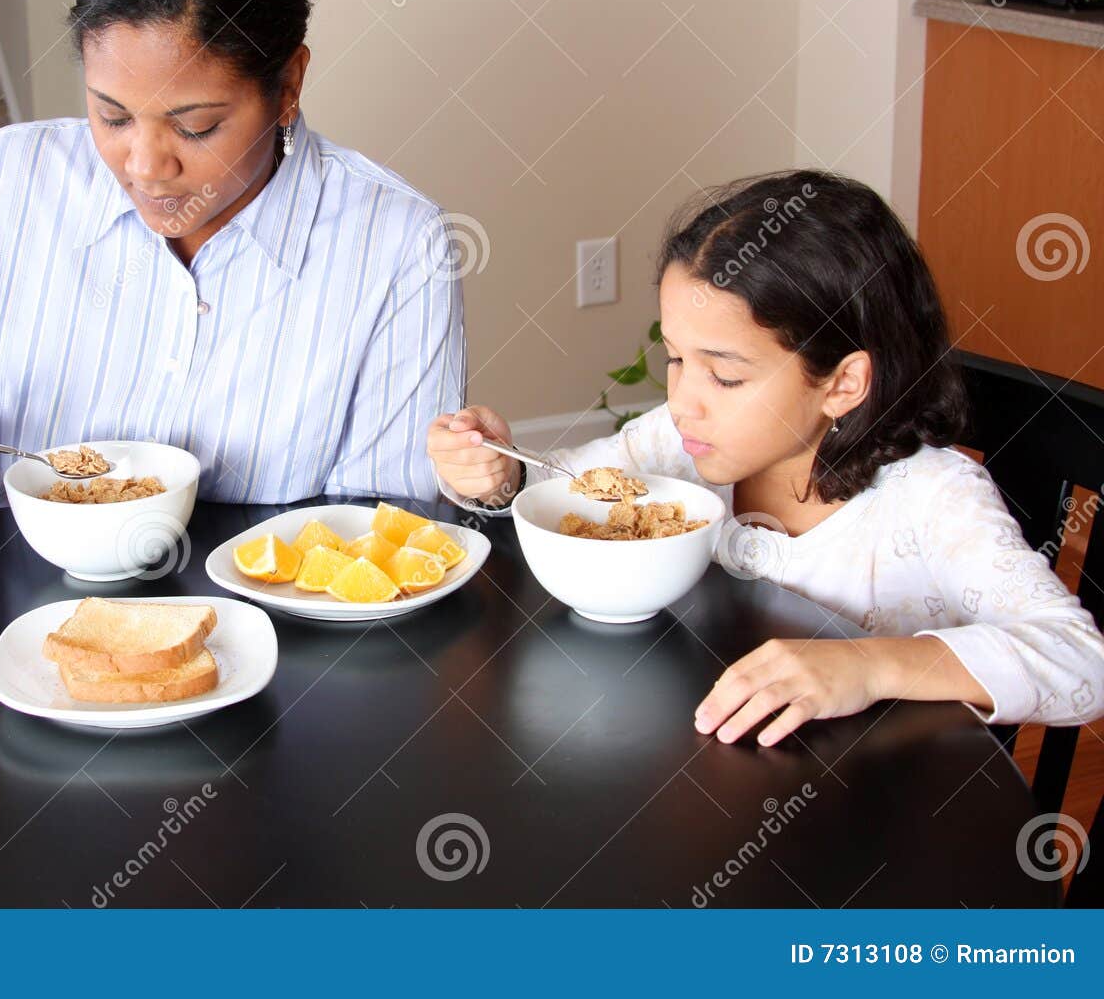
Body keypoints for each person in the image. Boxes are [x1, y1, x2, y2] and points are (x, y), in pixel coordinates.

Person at [0, 0, 464, 537]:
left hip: (272, 621)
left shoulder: (399, 244)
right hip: (18, 614)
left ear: (288, 86)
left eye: (194, 127)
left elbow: (387, 531)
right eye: (111, 116)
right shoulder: (4, 178)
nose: (144, 166)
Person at [429, 170, 1104, 746]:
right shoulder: (681, 441)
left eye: (724, 376)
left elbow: (1082, 661)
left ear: (842, 383)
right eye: (675, 359)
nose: (684, 401)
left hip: (873, 827)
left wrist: (866, 666)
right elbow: (570, 485)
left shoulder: (933, 498)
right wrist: (499, 470)